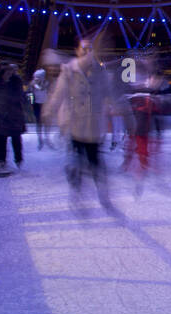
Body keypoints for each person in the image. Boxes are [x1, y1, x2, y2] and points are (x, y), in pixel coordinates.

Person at [47, 37, 118, 210]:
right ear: (78, 50)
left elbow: (109, 93)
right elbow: (59, 94)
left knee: (95, 162)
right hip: (74, 125)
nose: (87, 52)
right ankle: (76, 191)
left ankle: (103, 194)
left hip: (93, 127)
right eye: (84, 48)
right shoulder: (69, 71)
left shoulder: (100, 72)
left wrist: (114, 106)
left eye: (90, 49)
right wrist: (49, 111)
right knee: (75, 162)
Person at [30, 67, 51, 149]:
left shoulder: (46, 83)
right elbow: (36, 89)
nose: (37, 78)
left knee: (46, 123)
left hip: (45, 105)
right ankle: (40, 139)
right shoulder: (33, 83)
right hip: (37, 105)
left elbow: (46, 90)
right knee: (39, 123)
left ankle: (47, 138)